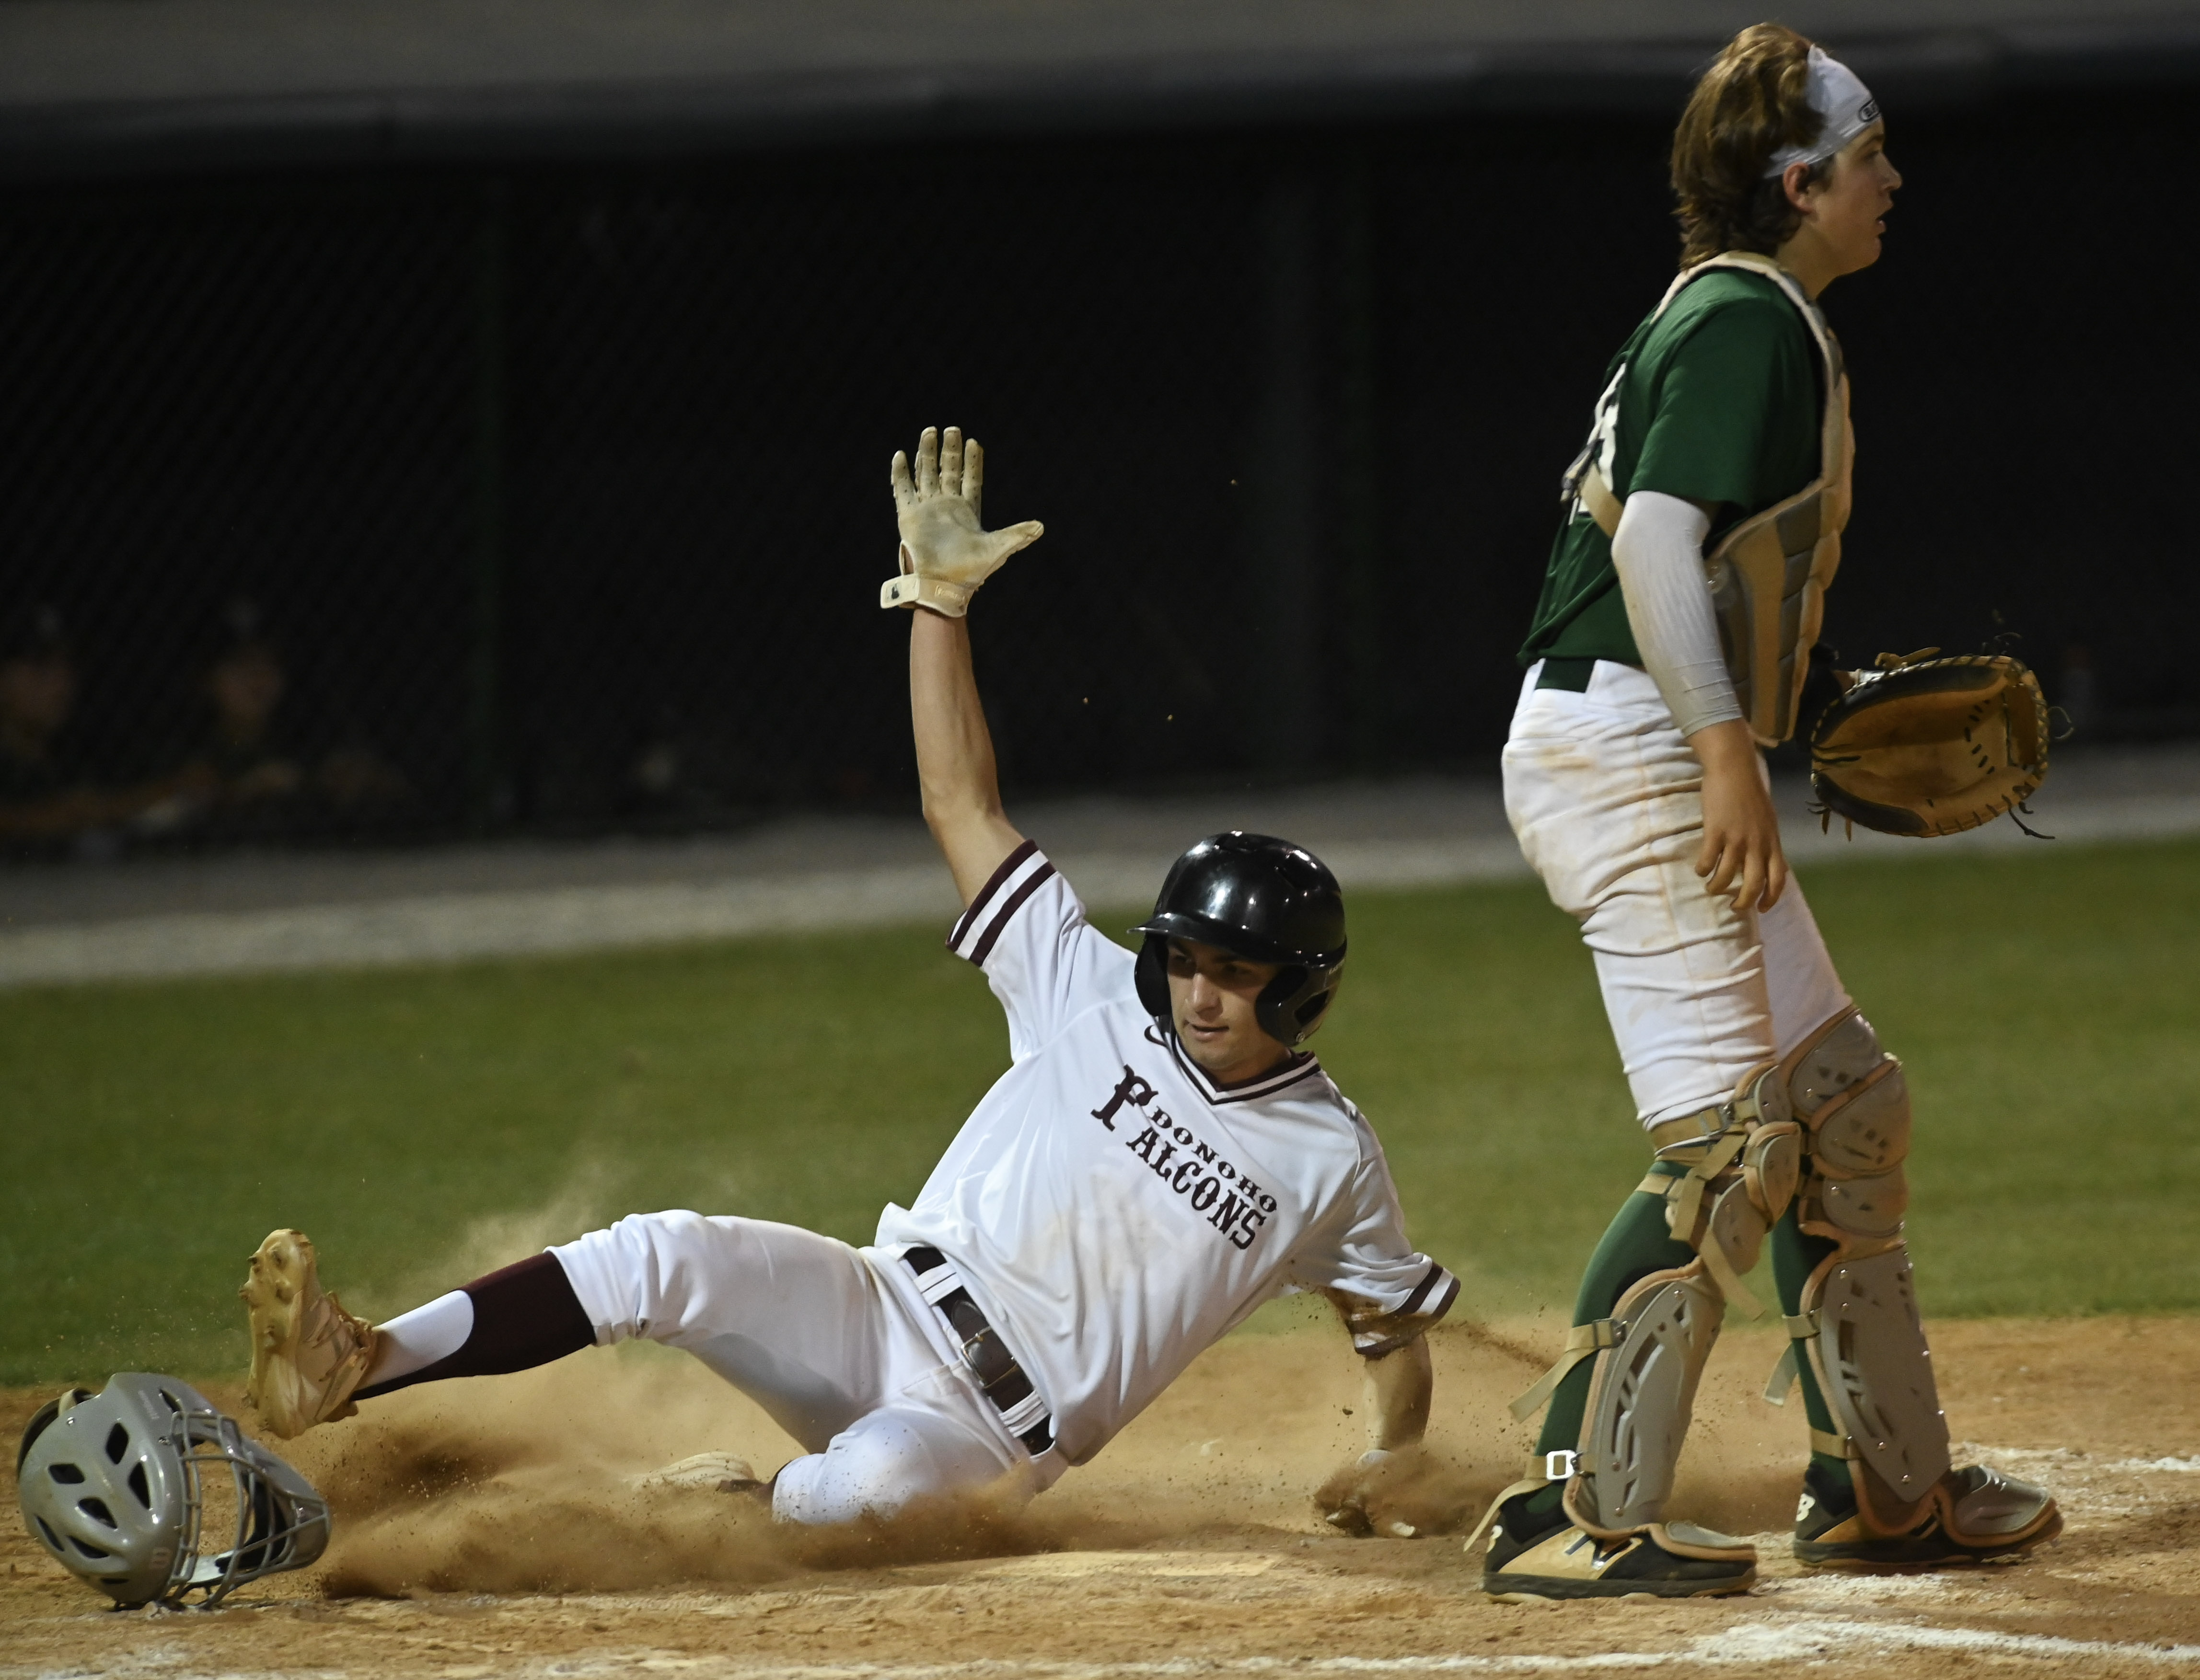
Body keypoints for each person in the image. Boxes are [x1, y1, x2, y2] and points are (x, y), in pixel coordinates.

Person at [239, 426, 1459, 1529]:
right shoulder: (1087, 987)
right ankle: (358, 1356)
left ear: (1300, 991)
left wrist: (1397, 1453)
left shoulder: (1327, 1156)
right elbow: (959, 801)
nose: (1197, 993)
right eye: (1185, 960)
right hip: (875, 1304)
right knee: (664, 1252)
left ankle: (738, 1501)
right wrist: (938, 604)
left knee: (858, 1496)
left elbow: (1388, 1324)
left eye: (1234, 975)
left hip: (979, 1437)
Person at [1477, 26, 2060, 1600]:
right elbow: (1662, 546)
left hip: (1642, 730)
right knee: (1734, 1144)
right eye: (1869, 158)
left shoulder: (1741, 312)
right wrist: (1732, 751)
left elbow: (1700, 560)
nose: (1892, 180)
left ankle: (1882, 1487)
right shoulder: (1749, 322)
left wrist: (1755, 712)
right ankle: (1560, 1512)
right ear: (1799, 184)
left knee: (1842, 1104)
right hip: (1636, 745)